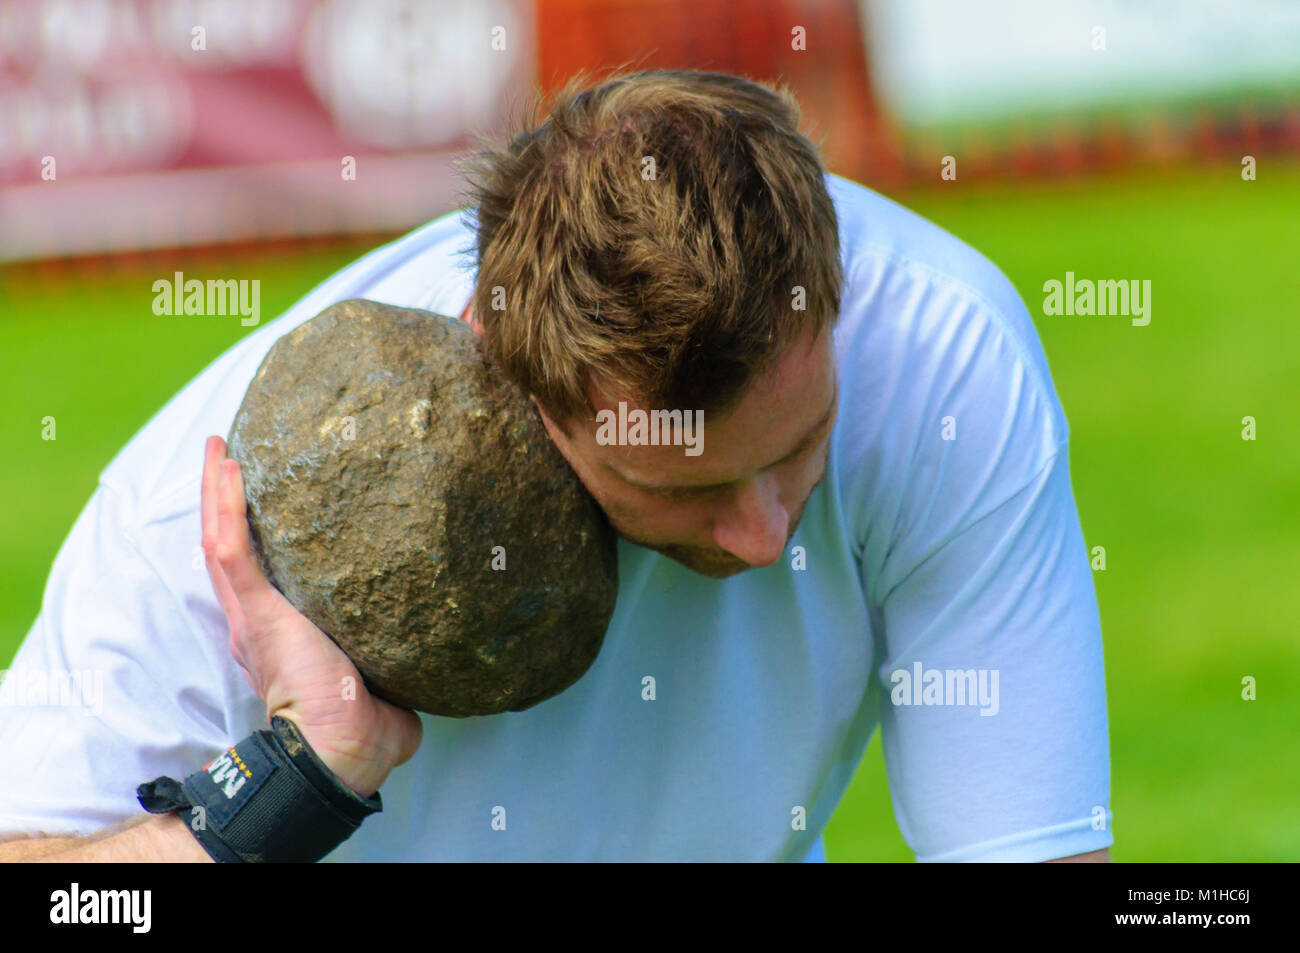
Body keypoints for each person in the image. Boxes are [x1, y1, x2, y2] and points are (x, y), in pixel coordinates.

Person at [0, 70, 1111, 862]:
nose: (765, 533)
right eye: (687, 486)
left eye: (797, 446)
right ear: (508, 369)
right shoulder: (215, 510)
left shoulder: (934, 359)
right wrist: (295, 781)